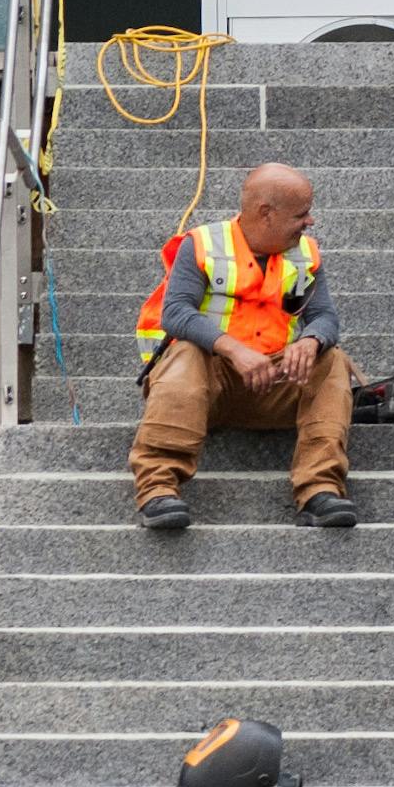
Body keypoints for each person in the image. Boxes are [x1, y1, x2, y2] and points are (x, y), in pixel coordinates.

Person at [129, 161, 357, 533]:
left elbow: (326, 317)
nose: (310, 222)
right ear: (266, 213)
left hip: (273, 384)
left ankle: (321, 489)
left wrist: (312, 339)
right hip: (207, 389)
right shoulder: (202, 245)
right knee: (185, 351)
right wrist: (234, 349)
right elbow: (176, 314)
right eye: (301, 214)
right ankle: (158, 489)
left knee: (332, 360)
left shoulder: (305, 255)